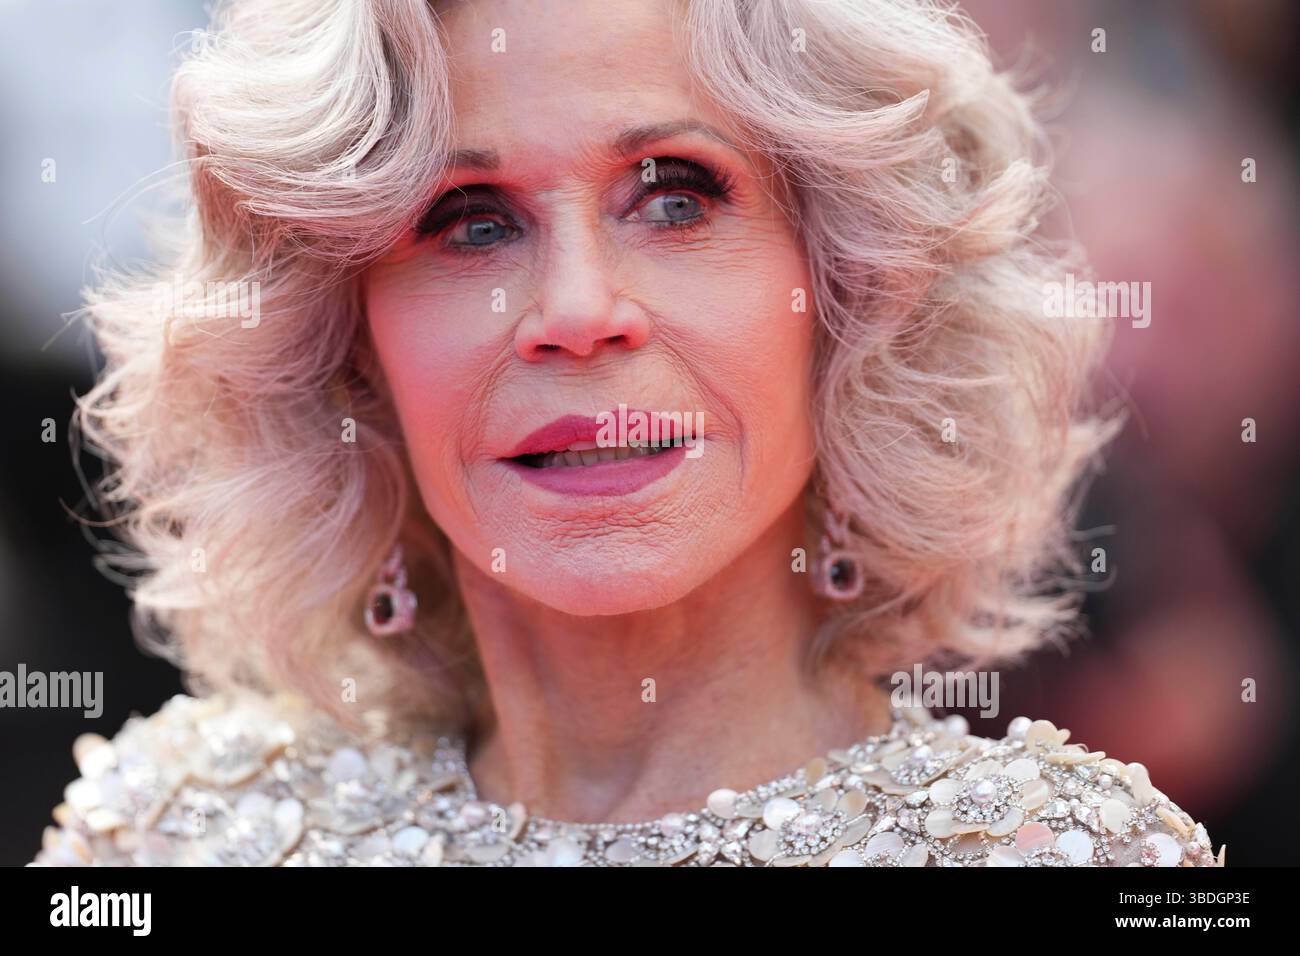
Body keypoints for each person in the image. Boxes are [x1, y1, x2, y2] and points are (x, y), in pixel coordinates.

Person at [31, 0, 1222, 867]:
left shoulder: (1069, 855)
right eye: (469, 221)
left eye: (674, 194)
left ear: (854, 295)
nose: (575, 313)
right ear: (348, 352)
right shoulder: (164, 836)